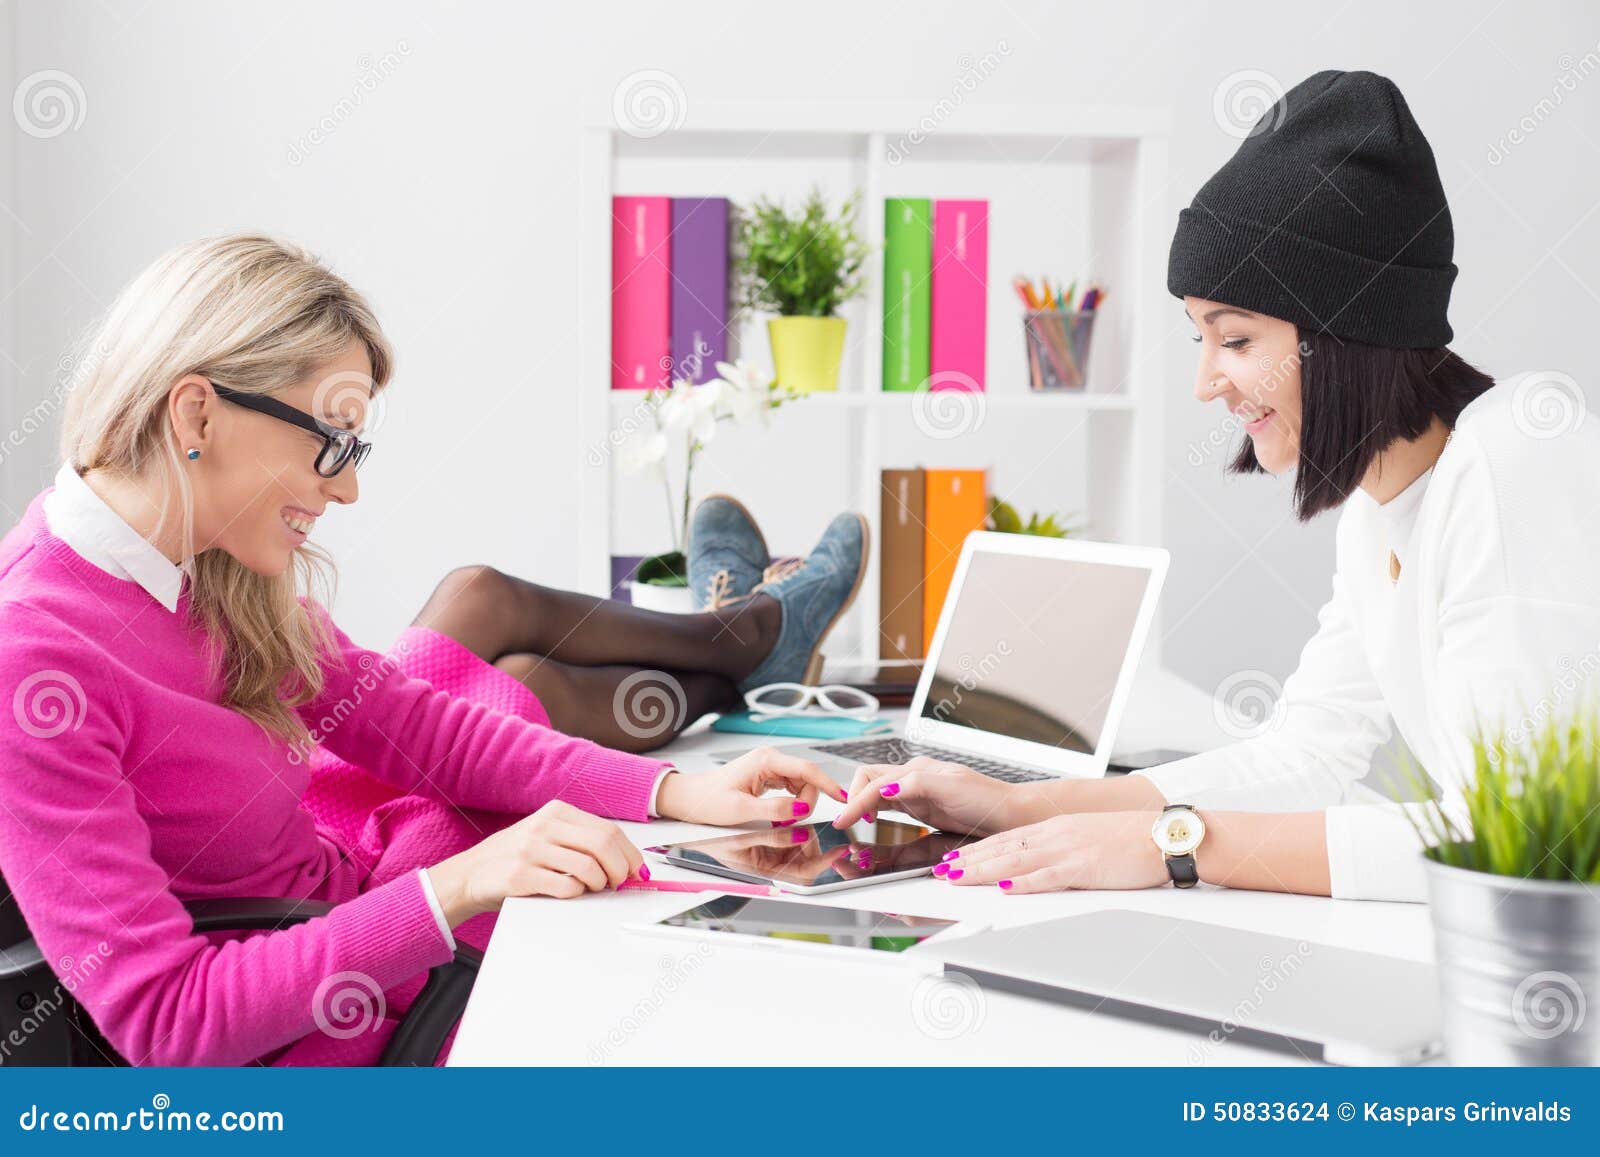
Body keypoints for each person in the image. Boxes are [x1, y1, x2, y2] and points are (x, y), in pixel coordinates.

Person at [0, 233, 866, 1066]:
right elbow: (168, 1020)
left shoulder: (197, 563)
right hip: (325, 1025)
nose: (347, 487)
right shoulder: (37, 657)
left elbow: (414, 724)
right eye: (330, 443)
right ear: (198, 412)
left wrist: (678, 789)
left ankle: (742, 641)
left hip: (354, 907)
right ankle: (748, 639)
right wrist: (456, 889)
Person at [829, 69, 1600, 903]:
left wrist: (1173, 845)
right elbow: (1302, 756)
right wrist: (1020, 807)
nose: (1206, 382)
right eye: (1201, 337)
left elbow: (1527, 843)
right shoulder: (1380, 510)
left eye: (1234, 338)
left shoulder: (1515, 457)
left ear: (1346, 332)